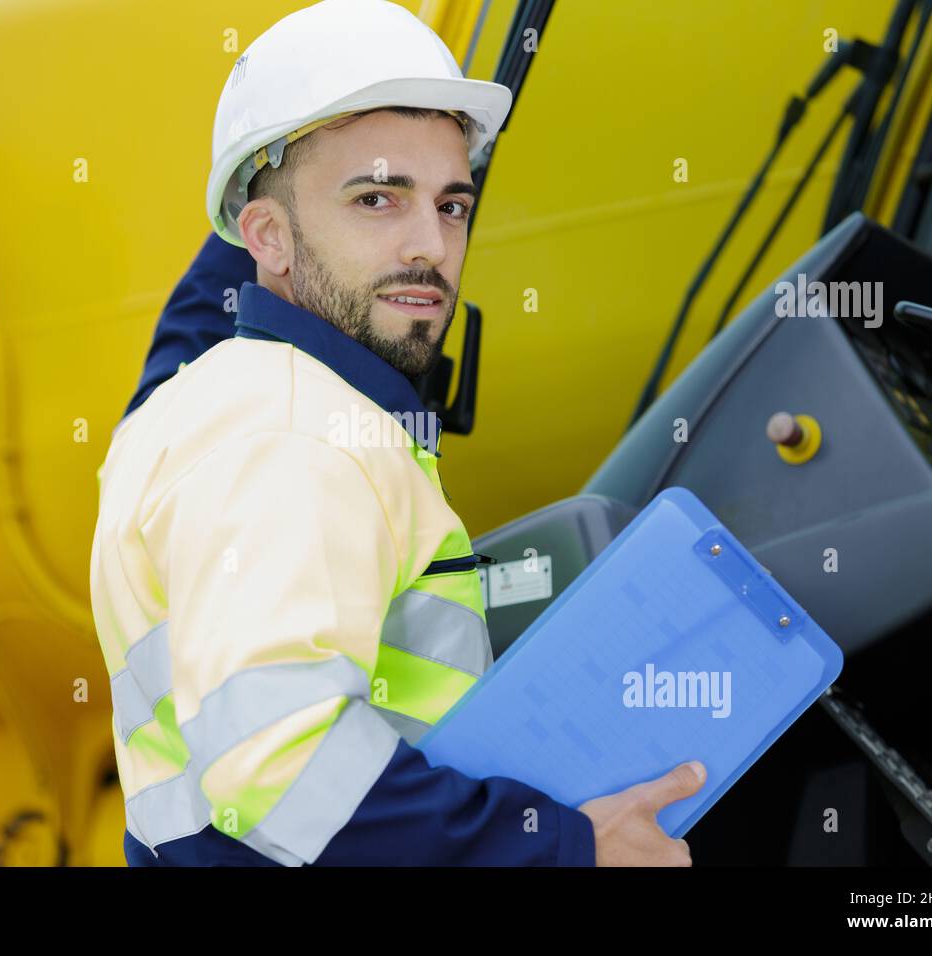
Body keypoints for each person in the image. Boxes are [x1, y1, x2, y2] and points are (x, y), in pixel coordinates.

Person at [90, 0, 704, 867]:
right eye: (377, 198)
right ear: (265, 237)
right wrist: (567, 850)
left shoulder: (206, 405)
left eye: (453, 205)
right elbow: (286, 769)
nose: (431, 247)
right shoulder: (296, 434)